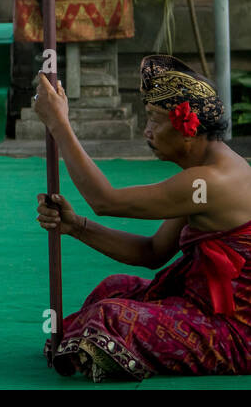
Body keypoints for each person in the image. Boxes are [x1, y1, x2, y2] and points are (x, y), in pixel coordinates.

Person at [33, 55, 251, 381]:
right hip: (200, 304)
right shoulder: (205, 176)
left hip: (235, 331)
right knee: (115, 287)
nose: (147, 130)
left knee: (111, 317)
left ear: (187, 127)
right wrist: (76, 227)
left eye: (155, 120)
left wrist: (59, 124)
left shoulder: (208, 182)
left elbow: (104, 200)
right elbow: (152, 253)